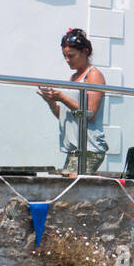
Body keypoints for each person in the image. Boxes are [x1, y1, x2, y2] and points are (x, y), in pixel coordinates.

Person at [37, 28, 109, 175]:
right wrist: (51, 102)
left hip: (89, 149)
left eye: (71, 56)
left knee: (72, 191)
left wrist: (62, 98)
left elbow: (90, 114)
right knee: (69, 192)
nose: (67, 60)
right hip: (76, 149)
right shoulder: (73, 78)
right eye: (65, 56)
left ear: (85, 52)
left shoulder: (93, 75)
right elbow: (65, 116)